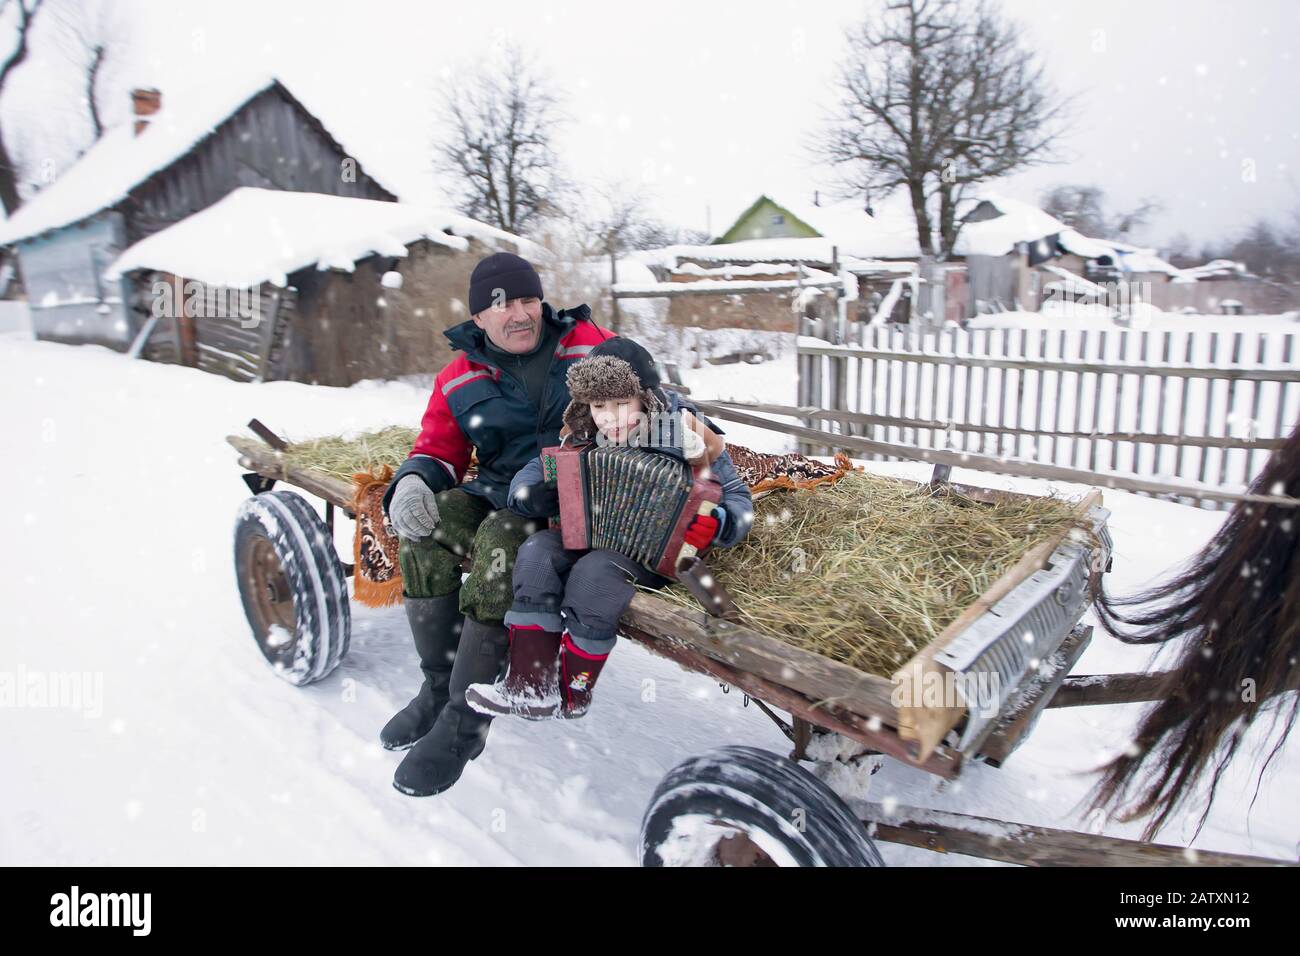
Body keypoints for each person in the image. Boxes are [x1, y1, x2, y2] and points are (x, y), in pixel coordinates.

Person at [379, 251, 614, 796]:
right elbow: (439, 449)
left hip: (571, 499)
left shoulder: (587, 344)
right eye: (502, 305)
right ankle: (438, 689)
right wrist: (414, 479)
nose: (519, 314)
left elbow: (643, 395)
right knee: (425, 530)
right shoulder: (458, 377)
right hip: (496, 487)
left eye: (529, 299)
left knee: (500, 542)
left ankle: (465, 725)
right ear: (479, 318)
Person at [465, 336, 754, 719]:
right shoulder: (582, 433)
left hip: (650, 553)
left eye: (622, 405)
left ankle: (574, 689)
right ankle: (530, 685)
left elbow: (737, 497)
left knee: (594, 575)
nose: (610, 418)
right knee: (536, 554)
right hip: (586, 534)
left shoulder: (688, 435)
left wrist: (719, 522)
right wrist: (527, 493)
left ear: (646, 397)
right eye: (600, 406)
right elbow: (534, 471)